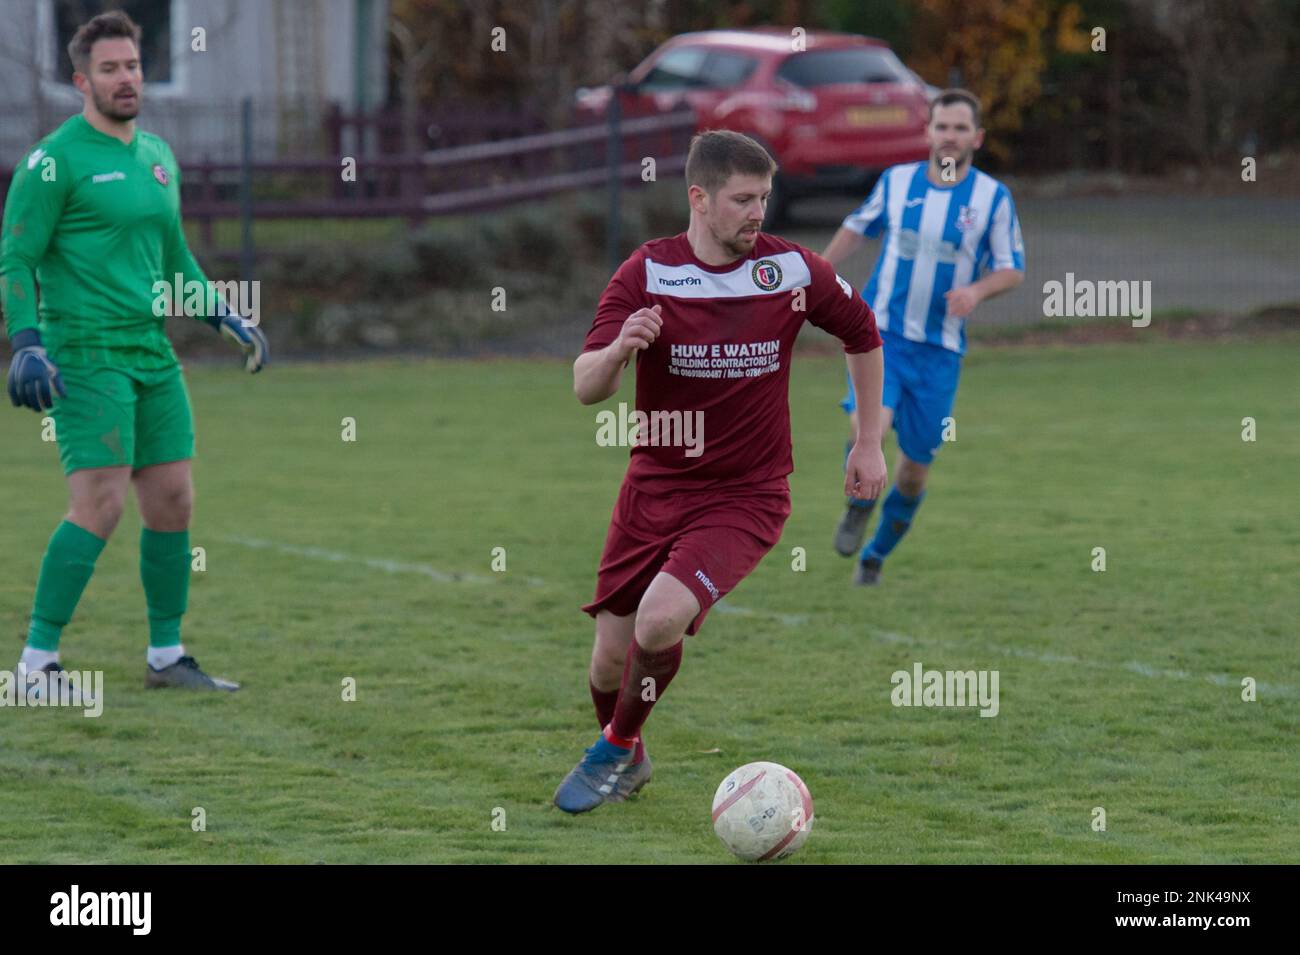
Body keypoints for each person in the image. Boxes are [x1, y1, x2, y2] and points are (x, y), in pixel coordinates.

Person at [554, 129, 886, 813]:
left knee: (659, 618)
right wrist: (620, 349)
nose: (757, 211)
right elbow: (587, 386)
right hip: (653, 488)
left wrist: (867, 441)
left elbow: (861, 329)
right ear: (698, 198)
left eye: (764, 197)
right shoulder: (647, 272)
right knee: (610, 661)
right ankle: (631, 752)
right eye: (742, 199)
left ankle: (614, 746)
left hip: (747, 493)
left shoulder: (791, 270)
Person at [1, 11, 268, 698]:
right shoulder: (52, 160)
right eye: (111, 69)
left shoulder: (157, 155)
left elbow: (174, 255)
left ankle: (166, 655)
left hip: (151, 352)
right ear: (81, 80)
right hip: (85, 354)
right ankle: (34, 667)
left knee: (174, 498)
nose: (126, 79)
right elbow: (16, 257)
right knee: (99, 503)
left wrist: (224, 313)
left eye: (134, 66)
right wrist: (26, 343)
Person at [824, 89, 1025, 584]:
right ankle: (856, 505)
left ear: (976, 137)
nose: (950, 136)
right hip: (881, 337)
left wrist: (976, 291)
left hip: (940, 352)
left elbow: (1012, 268)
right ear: (928, 132)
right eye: (942, 126)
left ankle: (875, 555)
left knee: (913, 473)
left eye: (960, 128)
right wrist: (818, 272)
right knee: (865, 428)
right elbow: (856, 227)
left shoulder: (991, 199)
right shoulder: (896, 182)